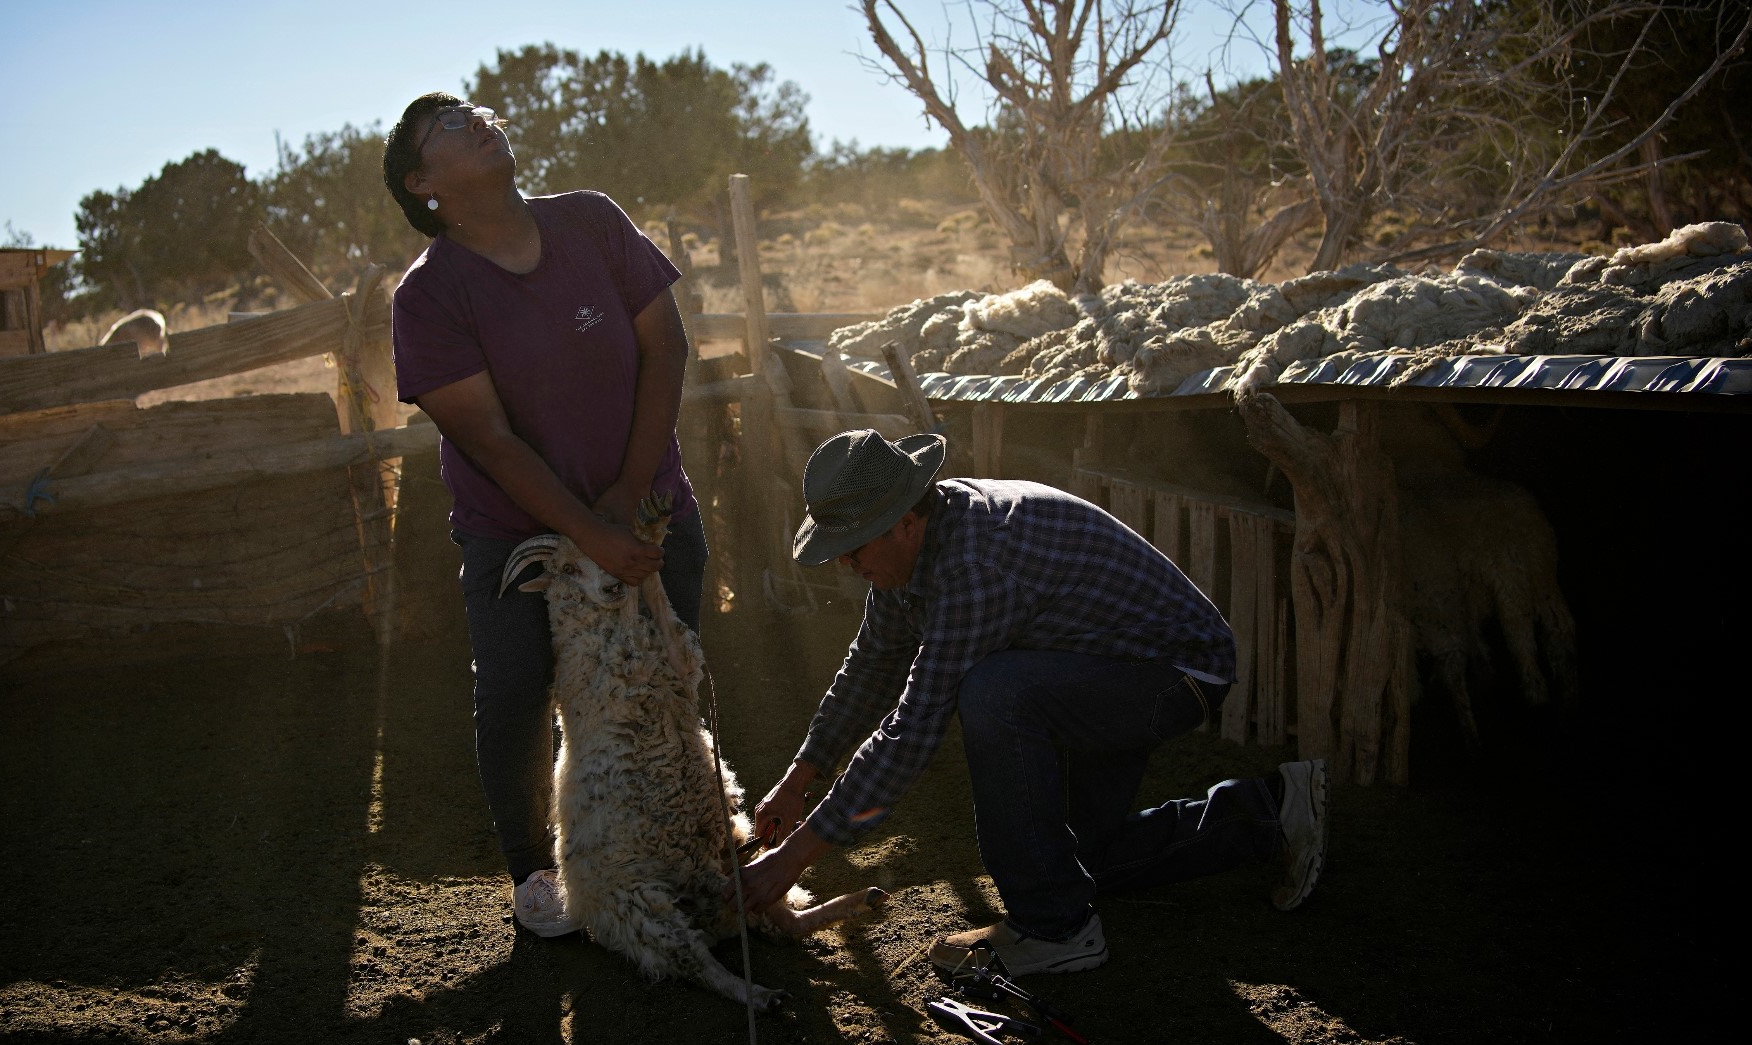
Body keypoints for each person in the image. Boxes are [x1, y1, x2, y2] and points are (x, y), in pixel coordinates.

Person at [735, 429, 1327, 976]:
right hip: (1099, 662)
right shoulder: (909, 556)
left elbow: (911, 731)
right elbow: (870, 667)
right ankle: (1273, 810)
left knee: (994, 693)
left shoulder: (975, 563)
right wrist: (799, 778)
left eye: (853, 547)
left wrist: (792, 860)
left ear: (904, 523)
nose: (845, 563)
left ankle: (1056, 928)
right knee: (1078, 858)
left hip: (1174, 673)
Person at [381, 93, 705, 938]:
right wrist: (588, 533)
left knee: (663, 677)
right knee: (517, 691)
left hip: (650, 510)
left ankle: (669, 847)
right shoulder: (429, 297)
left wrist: (627, 497)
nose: (477, 120)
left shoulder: (591, 221)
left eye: (474, 110)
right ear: (421, 184)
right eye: (448, 127)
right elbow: (488, 439)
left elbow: (666, 346)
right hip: (513, 531)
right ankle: (534, 869)